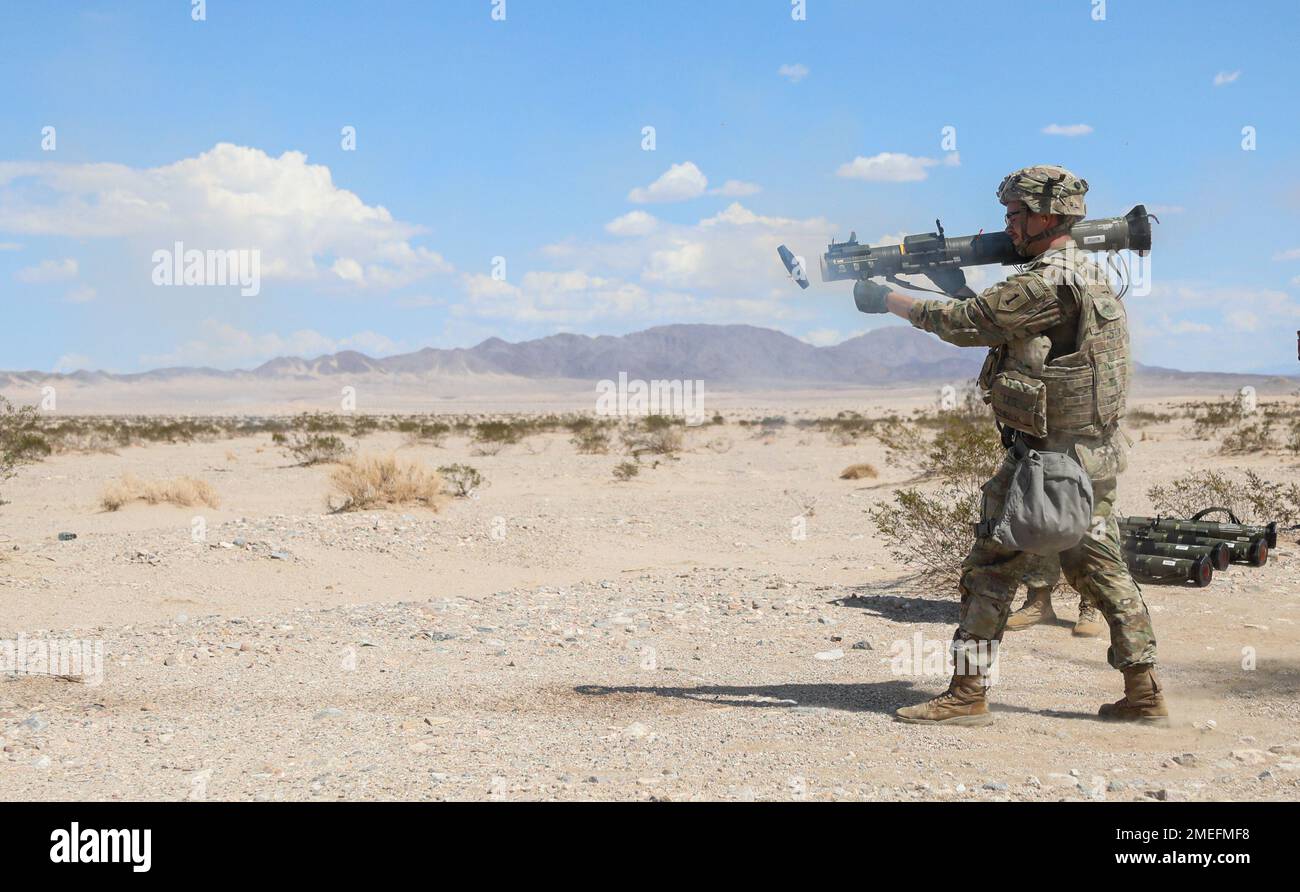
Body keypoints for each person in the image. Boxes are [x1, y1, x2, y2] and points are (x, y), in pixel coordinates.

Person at [853, 165, 1167, 726]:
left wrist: (887, 298)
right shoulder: (1085, 273)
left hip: (1044, 464)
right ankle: (1144, 692)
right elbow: (1005, 324)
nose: (1010, 225)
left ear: (1048, 215)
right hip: (1088, 457)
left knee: (991, 569)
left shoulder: (1047, 280)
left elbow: (968, 322)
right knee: (1102, 568)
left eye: (1016, 214)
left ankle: (967, 693)